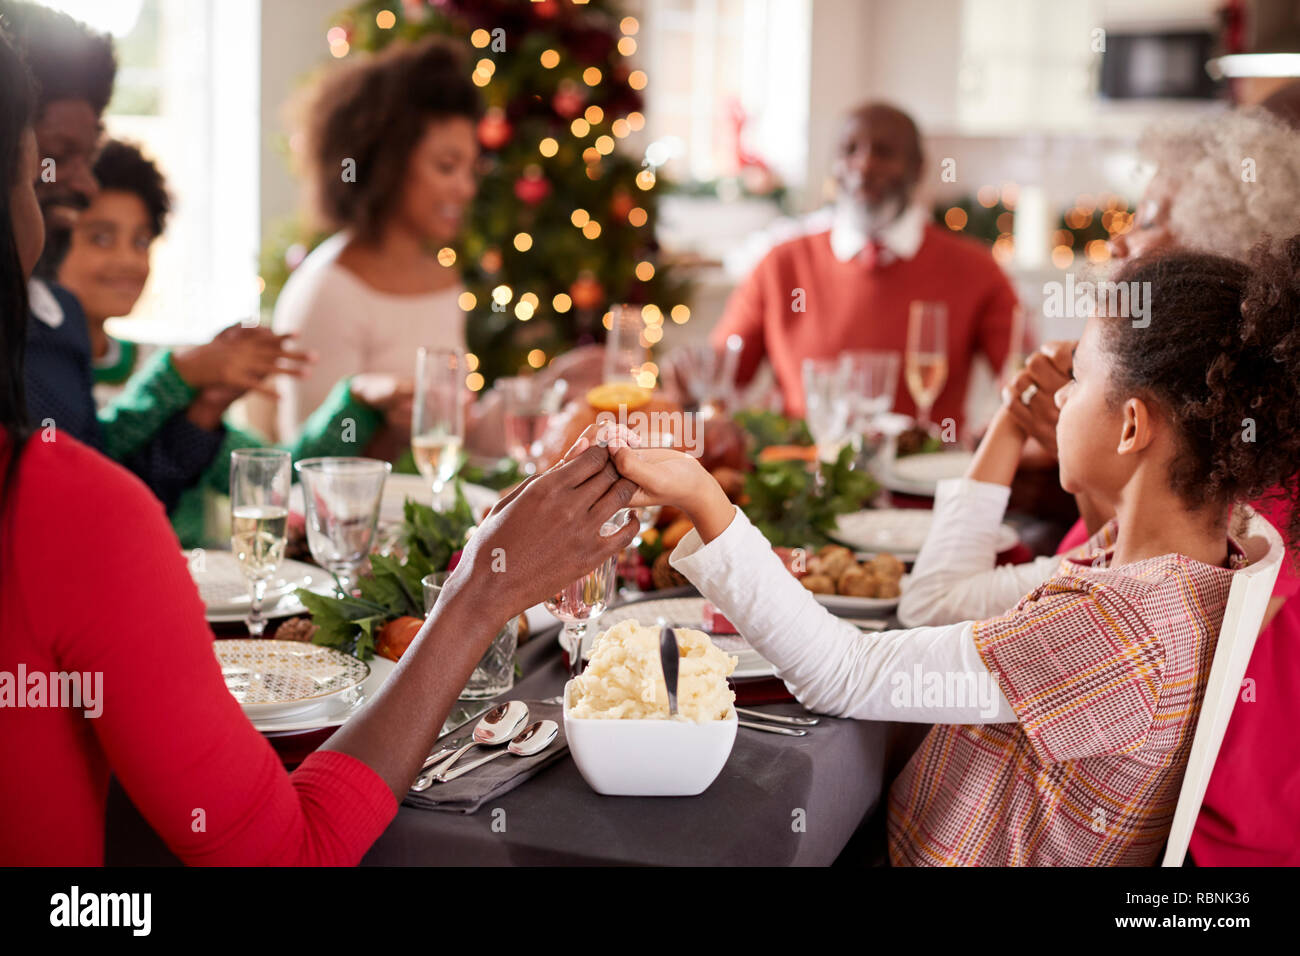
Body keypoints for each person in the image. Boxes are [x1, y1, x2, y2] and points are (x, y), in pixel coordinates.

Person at [0, 23, 642, 864]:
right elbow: (284, 853)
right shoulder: (68, 509)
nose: (65, 192)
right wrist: (483, 590)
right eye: (40, 167)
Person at [607, 239, 1300, 865]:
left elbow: (841, 674)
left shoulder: (1121, 631)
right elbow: (933, 604)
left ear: (1130, 427)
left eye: (1078, 378)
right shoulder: (1176, 571)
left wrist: (704, 499)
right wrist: (1006, 423)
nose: (1060, 397)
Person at [996, 106, 1300, 866]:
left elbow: (1125, 622)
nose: (1122, 239)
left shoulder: (1257, 480)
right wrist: (1085, 459)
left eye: (1154, 218)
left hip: (1201, 839)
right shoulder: (1222, 438)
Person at [3, 0, 310, 513]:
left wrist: (203, 409)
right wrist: (178, 378)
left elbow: (109, 496)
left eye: (90, 154)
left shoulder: (60, 320)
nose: (84, 182)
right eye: (57, 155)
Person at [54, 139, 411, 547]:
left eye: (140, 241)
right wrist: (179, 374)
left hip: (206, 601)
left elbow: (278, 482)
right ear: (53, 239)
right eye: (101, 238)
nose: (129, 261)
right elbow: (85, 477)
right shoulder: (39, 375)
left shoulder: (155, 363)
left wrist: (356, 400)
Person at [709, 102, 1020, 434]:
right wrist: (691, 380)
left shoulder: (976, 270)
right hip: (801, 473)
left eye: (884, 153)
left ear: (917, 169)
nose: (864, 165)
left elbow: (1022, 378)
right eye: (849, 150)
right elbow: (721, 376)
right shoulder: (781, 264)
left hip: (926, 477)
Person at [262, 37, 479, 450]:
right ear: (388, 163)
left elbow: (460, 434)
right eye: (446, 167)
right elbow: (309, 466)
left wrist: (549, 389)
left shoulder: (444, 278)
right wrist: (392, 428)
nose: (466, 188)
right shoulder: (329, 289)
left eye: (472, 168)